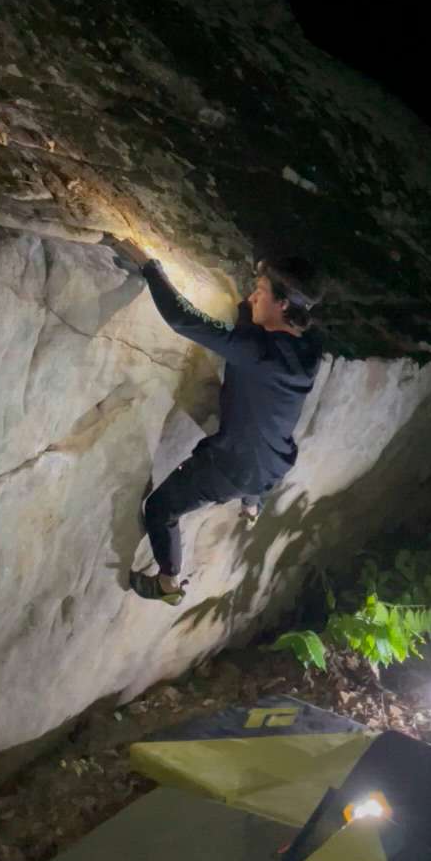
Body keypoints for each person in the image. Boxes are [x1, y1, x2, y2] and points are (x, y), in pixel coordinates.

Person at [112, 241, 324, 605]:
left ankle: (169, 584)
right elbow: (253, 329)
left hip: (230, 469)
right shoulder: (307, 347)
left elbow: (184, 320)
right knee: (256, 475)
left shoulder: (257, 353)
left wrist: (150, 267)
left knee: (160, 510)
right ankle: (252, 506)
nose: (251, 297)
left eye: (258, 293)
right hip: (275, 461)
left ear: (283, 304)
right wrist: (247, 302)